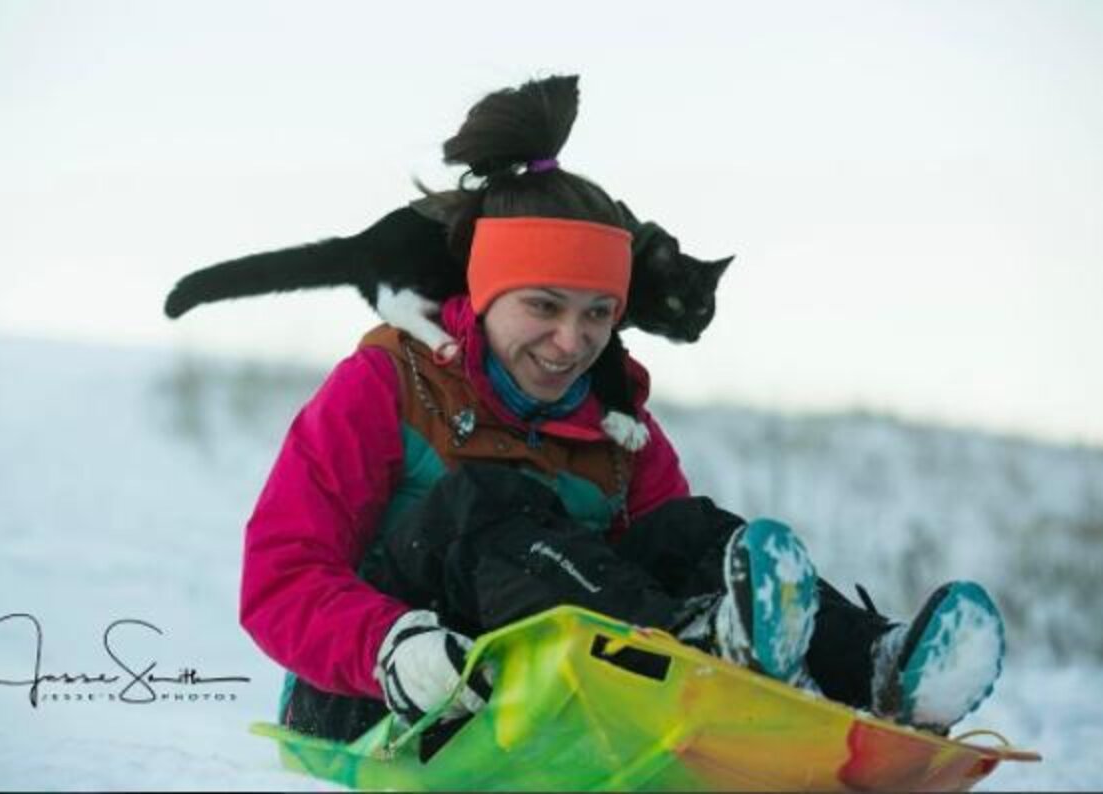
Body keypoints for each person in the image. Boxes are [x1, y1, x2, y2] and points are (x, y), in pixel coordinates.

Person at [239, 74, 1004, 745]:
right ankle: (686, 649)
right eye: (544, 306)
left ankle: (873, 668)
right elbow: (280, 576)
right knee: (490, 500)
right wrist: (388, 647)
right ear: (485, 291)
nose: (571, 342)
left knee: (691, 530)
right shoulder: (387, 383)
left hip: (568, 687)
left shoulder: (616, 427)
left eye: (598, 314)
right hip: (379, 693)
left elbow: (670, 554)